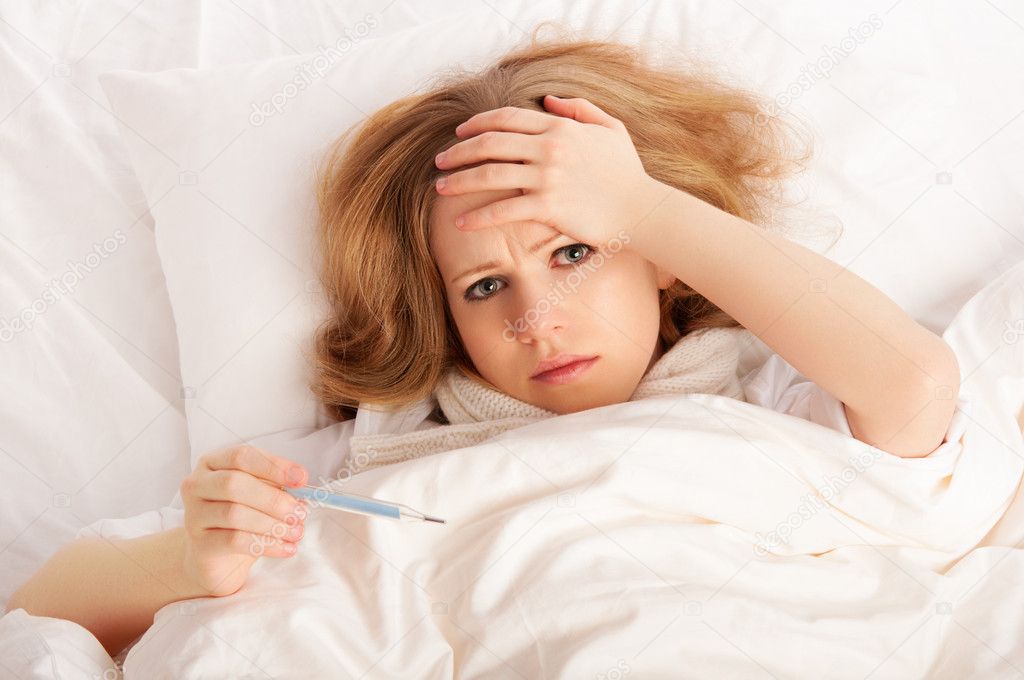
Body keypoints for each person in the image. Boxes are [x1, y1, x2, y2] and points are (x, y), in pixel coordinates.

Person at [6, 29, 962, 660]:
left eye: (576, 251)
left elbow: (916, 388)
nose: (535, 316)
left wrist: (640, 202)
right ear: (443, 313)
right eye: (485, 285)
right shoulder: (362, 462)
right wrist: (188, 565)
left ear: (663, 258)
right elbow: (37, 612)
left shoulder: (768, 397)